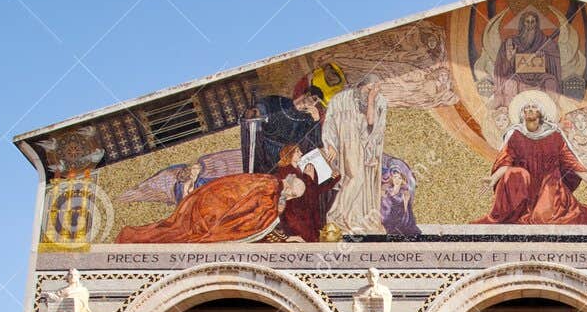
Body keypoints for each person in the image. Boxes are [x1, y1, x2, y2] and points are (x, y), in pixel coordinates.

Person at [474, 91, 587, 226]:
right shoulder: (516, 135)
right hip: (524, 185)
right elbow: (506, 160)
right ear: (522, 113)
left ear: (541, 112)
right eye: (527, 108)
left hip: (548, 183)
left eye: (534, 107)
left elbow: (568, 159)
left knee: (545, 217)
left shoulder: (553, 135)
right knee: (514, 173)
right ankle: (514, 211)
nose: (530, 110)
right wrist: (493, 178)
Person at [116, 165, 326, 244]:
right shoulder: (270, 190)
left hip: (205, 204)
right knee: (177, 234)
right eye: (291, 194)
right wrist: (286, 239)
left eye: (292, 197)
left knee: (173, 231)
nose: (289, 198)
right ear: (288, 186)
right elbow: (252, 221)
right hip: (209, 214)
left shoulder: (266, 183)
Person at [321, 77, 387, 235]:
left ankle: (353, 217)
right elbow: (329, 121)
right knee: (354, 178)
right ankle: (337, 215)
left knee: (362, 182)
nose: (370, 92)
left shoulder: (377, 101)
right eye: (368, 89)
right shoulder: (341, 99)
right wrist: (331, 143)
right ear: (361, 86)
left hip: (366, 148)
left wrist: (371, 99)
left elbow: (373, 123)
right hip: (348, 145)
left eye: (374, 90)